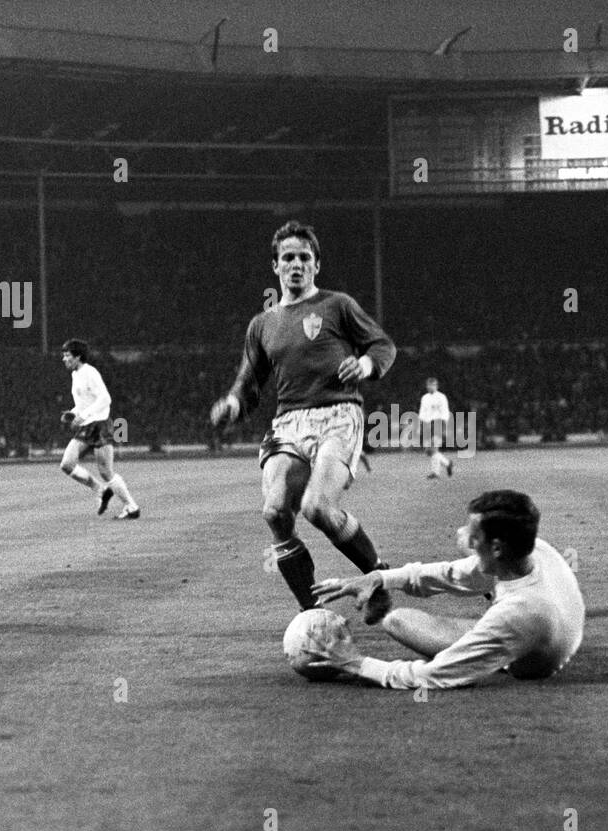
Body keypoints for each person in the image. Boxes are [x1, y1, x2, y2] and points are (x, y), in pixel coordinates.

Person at [210, 220, 397, 615]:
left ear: (316, 265)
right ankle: (310, 614)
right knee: (275, 512)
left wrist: (364, 364)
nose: (296, 264)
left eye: (304, 257)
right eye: (288, 258)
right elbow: (249, 383)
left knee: (317, 508)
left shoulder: (337, 305)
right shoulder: (262, 324)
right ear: (275, 266)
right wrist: (232, 404)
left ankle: (377, 578)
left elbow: (382, 345)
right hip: (289, 422)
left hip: (338, 415)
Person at [308, 490, 584, 689]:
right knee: (395, 620)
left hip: (526, 656)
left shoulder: (520, 612)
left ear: (498, 548)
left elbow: (434, 676)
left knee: (406, 627)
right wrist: (377, 578)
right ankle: (490, 640)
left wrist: (355, 663)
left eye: (475, 536)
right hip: (549, 625)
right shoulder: (531, 549)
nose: (465, 537)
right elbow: (450, 575)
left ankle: (493, 654)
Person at [59, 338, 140, 519]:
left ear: (78, 357)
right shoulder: (75, 374)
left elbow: (105, 399)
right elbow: (83, 403)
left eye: (67, 355)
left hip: (100, 425)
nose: (64, 359)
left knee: (106, 472)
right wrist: (72, 413)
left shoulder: (90, 373)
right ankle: (101, 490)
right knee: (66, 464)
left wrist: (84, 416)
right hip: (87, 426)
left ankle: (131, 507)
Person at [419, 377, 454, 479]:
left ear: (436, 386)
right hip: (427, 424)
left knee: (433, 449)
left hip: (438, 423)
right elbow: (422, 412)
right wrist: (421, 424)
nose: (430, 387)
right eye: (429, 385)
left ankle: (436, 473)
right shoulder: (424, 398)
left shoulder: (441, 397)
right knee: (428, 451)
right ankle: (447, 463)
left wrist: (444, 427)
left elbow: (445, 412)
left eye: (432, 385)